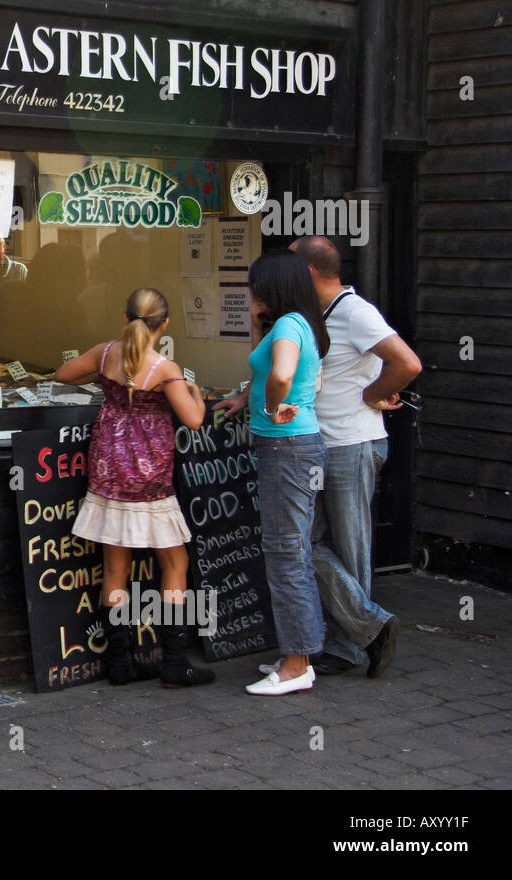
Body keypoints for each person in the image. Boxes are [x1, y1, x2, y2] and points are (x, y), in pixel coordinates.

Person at [56, 288, 213, 688]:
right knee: (175, 564)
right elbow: (194, 419)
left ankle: (120, 664)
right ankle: (176, 663)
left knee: (114, 569)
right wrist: (193, 390)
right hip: (148, 475)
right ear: (165, 325)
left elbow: (63, 375)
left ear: (126, 319)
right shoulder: (164, 368)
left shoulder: (107, 354)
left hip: (107, 467)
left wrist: (102, 377)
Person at [286, 235, 420, 676]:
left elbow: (407, 363)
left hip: (351, 444)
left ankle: (349, 646)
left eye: (289, 269)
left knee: (350, 546)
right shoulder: (314, 315)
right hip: (317, 442)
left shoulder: (355, 312)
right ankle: (368, 629)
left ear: (307, 273)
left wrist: (372, 394)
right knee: (306, 542)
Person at [220, 251, 330, 695]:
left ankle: (297, 665)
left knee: (286, 555)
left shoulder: (287, 326)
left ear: (272, 288)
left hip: (287, 449)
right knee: (294, 552)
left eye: (255, 287)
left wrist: (268, 404)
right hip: (296, 446)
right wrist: (248, 398)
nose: (250, 293)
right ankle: (298, 651)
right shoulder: (297, 323)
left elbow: (283, 374)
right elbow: (270, 368)